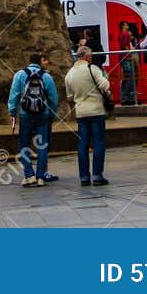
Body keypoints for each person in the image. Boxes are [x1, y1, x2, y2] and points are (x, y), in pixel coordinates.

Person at [8, 52, 60, 186]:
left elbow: (14, 96)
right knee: (42, 145)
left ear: (29, 61)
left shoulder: (19, 75)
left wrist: (12, 112)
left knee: (24, 144)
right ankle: (41, 176)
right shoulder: (47, 77)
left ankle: (29, 175)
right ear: (39, 62)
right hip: (43, 114)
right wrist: (52, 113)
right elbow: (53, 98)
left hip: (25, 114)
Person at [65, 44, 112, 187]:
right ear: (87, 56)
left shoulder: (70, 74)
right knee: (98, 142)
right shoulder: (92, 69)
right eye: (90, 56)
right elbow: (105, 86)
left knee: (83, 144)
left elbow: (69, 96)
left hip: (81, 113)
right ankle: (97, 175)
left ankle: (84, 177)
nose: (91, 58)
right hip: (96, 111)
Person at [119, 22, 140, 106]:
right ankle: (131, 98)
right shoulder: (126, 34)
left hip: (122, 58)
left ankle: (124, 97)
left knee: (125, 78)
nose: (128, 26)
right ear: (123, 26)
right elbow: (125, 46)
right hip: (126, 59)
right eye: (126, 25)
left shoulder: (121, 34)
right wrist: (129, 54)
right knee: (131, 78)